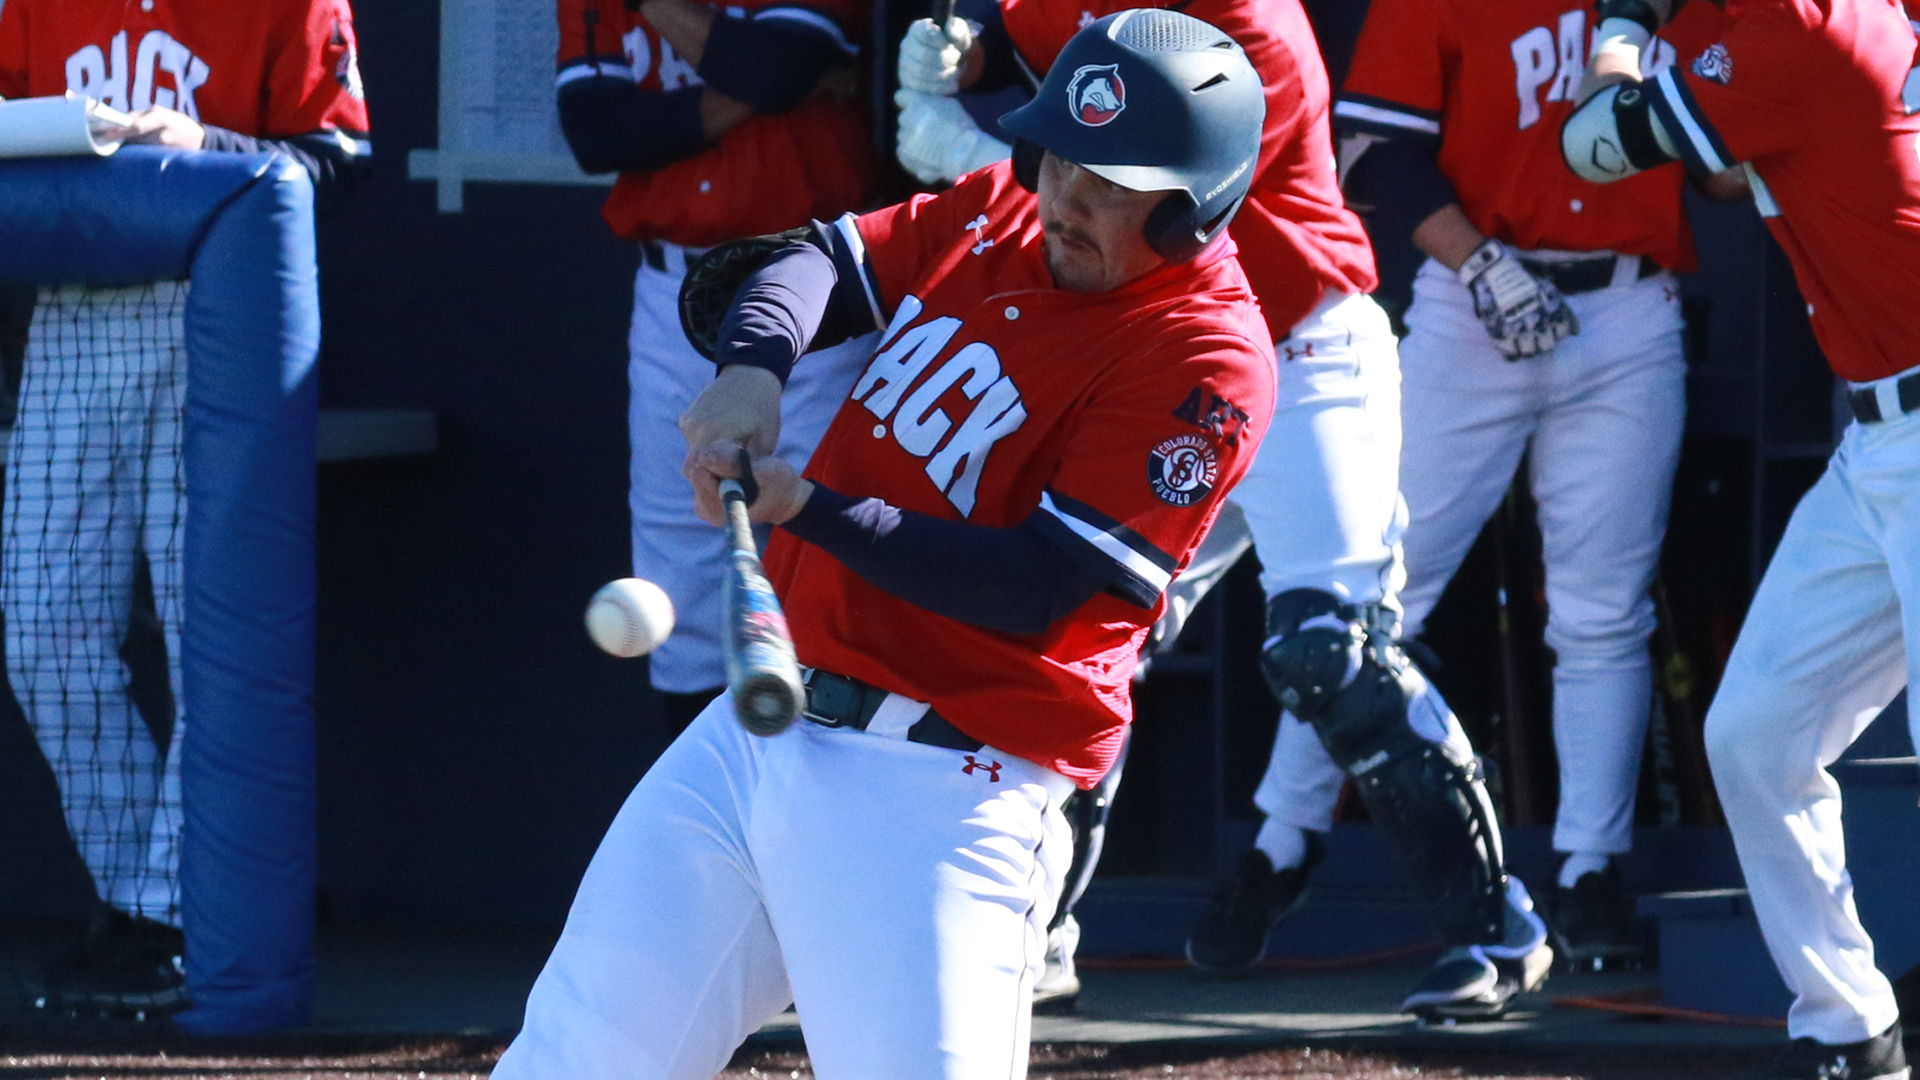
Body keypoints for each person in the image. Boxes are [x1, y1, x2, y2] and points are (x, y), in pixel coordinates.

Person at [490, 12, 1272, 1075]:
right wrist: (757, 367)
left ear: (1193, 213)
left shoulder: (1205, 357)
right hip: (759, 738)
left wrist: (806, 507)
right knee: (569, 1060)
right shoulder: (1005, 206)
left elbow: (1042, 586)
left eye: (1116, 185)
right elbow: (818, 260)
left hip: (944, 793)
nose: (1070, 203)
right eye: (1061, 163)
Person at [891, 0, 1554, 1020]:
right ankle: (1036, 932)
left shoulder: (1251, 31)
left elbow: (1166, 212)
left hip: (1301, 352)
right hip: (1168, 362)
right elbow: (1035, 42)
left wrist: (975, 151)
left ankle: (1495, 931)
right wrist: (970, 43)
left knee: (1330, 652)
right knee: (1076, 634)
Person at [1234, 0, 1736, 975]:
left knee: (1601, 612)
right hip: (1473, 302)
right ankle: (1279, 839)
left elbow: (1725, 156)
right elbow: (1380, 152)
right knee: (1373, 597)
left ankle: (1592, 867)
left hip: (1628, 310)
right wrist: (1482, 262)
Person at [1565, 0, 1920, 1071]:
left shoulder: (1794, 23)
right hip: (1877, 444)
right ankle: (1852, 1028)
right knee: (1756, 733)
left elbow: (1597, 142)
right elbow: (1729, 168)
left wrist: (1622, 27)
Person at [0, 0, 370, 1017]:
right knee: (40, 631)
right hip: (70, 309)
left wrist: (202, 145)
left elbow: (338, 157)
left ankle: (170, 916)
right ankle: (144, 897)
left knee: (216, 638)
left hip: (221, 313)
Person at [554, 0, 877, 730]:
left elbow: (772, 69)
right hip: (672, 288)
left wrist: (772, 78)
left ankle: (821, 802)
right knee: (680, 568)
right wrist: (774, 89)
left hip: (813, 279)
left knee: (825, 545)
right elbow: (597, 132)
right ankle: (704, 806)